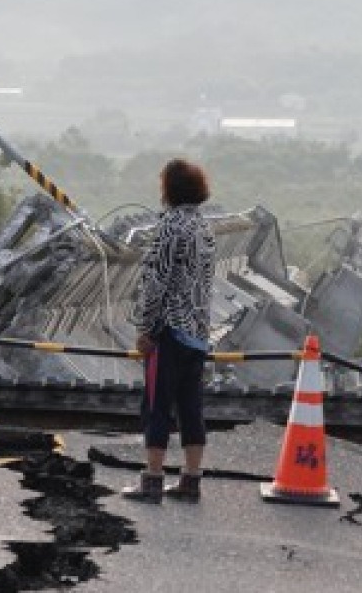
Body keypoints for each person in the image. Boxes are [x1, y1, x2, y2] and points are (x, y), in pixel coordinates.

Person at [121, 158, 216, 504]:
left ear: (168, 190)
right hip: (198, 332)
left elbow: (156, 284)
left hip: (170, 332)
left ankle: (153, 479)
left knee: (157, 405)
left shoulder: (169, 228)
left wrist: (146, 330)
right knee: (192, 406)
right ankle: (191, 480)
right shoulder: (204, 229)